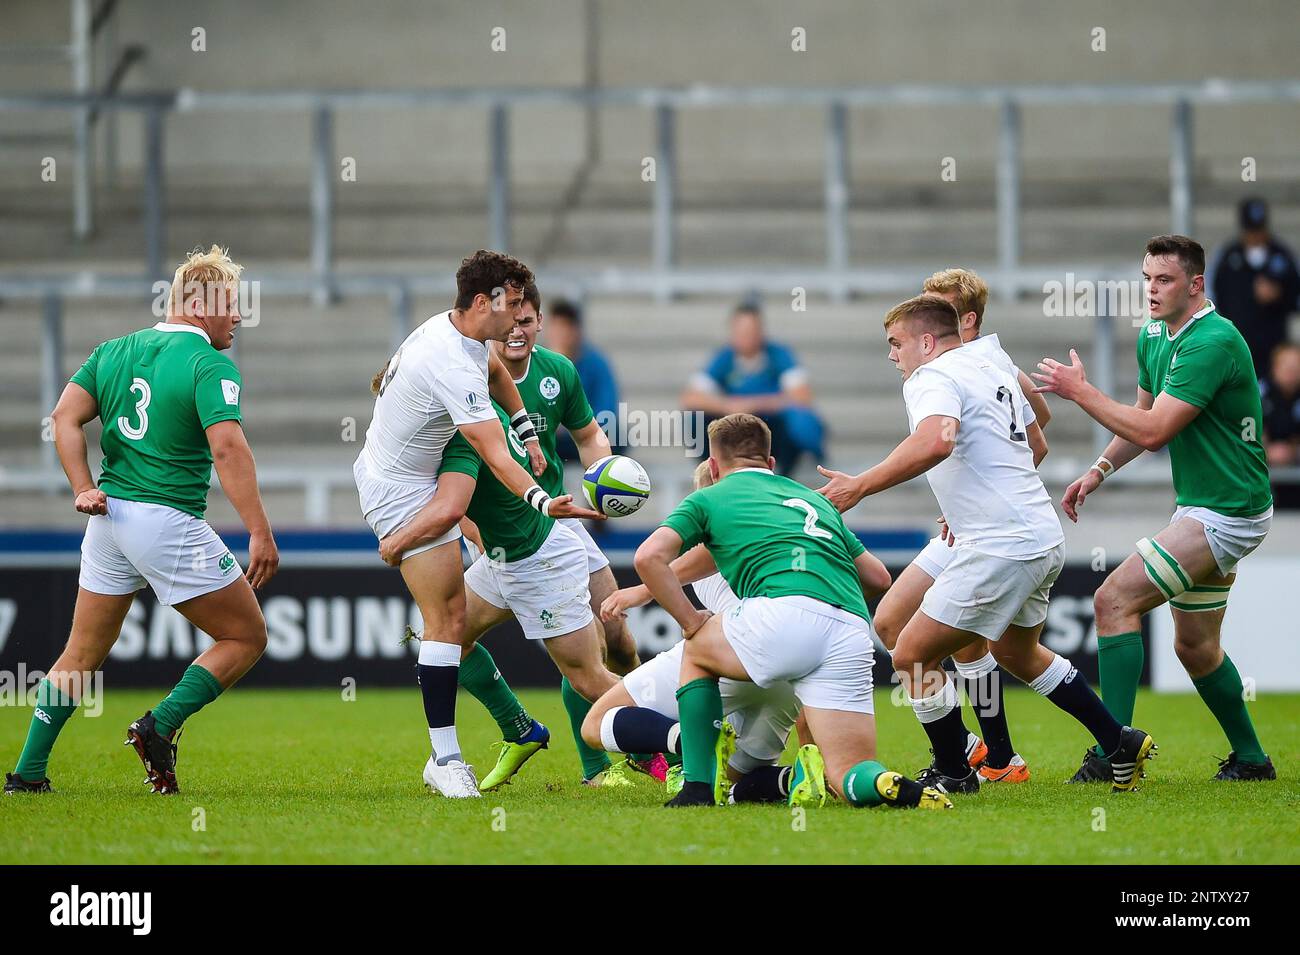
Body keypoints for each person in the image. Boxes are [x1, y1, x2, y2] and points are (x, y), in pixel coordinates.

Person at [819, 295, 1156, 795]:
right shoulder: (989, 361)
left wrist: (860, 486)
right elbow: (1033, 434)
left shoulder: (928, 377)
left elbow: (937, 440)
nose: (893, 356)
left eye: (896, 343)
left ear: (927, 342)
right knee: (1017, 653)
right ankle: (1116, 740)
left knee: (910, 654)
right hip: (1040, 535)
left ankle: (956, 770)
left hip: (999, 543)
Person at [6, 246, 279, 796]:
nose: (239, 317)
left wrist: (83, 487)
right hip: (165, 520)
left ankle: (27, 774)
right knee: (246, 635)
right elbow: (227, 448)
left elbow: (63, 418)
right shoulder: (208, 364)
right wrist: (258, 529)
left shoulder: (112, 351)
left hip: (107, 520)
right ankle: (160, 724)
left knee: (79, 653)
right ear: (200, 306)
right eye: (232, 304)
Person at [353, 250, 601, 800]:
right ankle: (444, 759)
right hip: (401, 491)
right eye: (511, 306)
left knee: (451, 627)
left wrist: (530, 433)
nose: (518, 318)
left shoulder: (457, 337)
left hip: (412, 480)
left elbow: (494, 376)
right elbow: (491, 456)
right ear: (483, 302)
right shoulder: (451, 367)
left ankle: (517, 730)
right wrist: (541, 499)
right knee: (444, 621)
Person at [1035, 234, 1277, 783]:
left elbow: (1154, 430)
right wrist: (1098, 470)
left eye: (1164, 280)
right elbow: (1140, 421)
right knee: (1196, 646)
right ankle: (1252, 760)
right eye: (1146, 278)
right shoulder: (1154, 334)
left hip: (1229, 510)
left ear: (1196, 285)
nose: (1150, 289)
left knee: (1112, 599)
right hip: (1206, 505)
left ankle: (1116, 750)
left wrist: (1080, 391)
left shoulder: (1211, 341)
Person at [635, 413, 951, 810]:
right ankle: (885, 781)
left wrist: (689, 620)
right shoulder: (813, 500)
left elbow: (649, 557)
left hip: (781, 614)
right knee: (847, 769)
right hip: (850, 630)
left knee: (696, 650)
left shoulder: (710, 496)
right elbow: (877, 577)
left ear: (713, 467)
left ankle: (697, 788)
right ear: (770, 463)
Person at [868, 268, 1050, 784]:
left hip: (990, 532)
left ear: (961, 322)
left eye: (940, 309)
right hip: (967, 527)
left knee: (943, 646)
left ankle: (991, 756)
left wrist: (988, 492)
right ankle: (970, 747)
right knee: (891, 623)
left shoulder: (983, 363)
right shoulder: (956, 371)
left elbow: (1035, 436)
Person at [384, 401, 626, 791]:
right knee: (448, 638)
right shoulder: (475, 407)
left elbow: (451, 508)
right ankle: (521, 729)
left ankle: (688, 743)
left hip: (536, 559)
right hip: (504, 558)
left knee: (588, 678)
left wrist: (398, 542)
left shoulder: (463, 433)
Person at [474, 283, 654, 787]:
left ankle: (640, 738)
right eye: (510, 320)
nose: (518, 330)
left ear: (539, 324)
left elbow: (588, 433)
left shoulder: (558, 371)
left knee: (615, 633)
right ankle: (620, 756)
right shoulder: (466, 381)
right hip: (504, 533)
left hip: (560, 521)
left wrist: (601, 475)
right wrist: (471, 529)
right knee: (581, 654)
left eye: (528, 320)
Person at [587, 461, 824, 807]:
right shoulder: (789, 531)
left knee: (596, 723)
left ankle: (688, 740)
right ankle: (793, 778)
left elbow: (707, 551)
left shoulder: (716, 530)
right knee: (731, 780)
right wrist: (811, 748)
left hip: (732, 653)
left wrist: (642, 591)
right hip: (787, 675)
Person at [680, 303, 825, 475]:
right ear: (732, 333)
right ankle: (714, 472)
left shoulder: (779, 355)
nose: (747, 337)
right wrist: (728, 406)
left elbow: (802, 397)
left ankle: (782, 473)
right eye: (742, 332)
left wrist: (753, 405)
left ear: (761, 332)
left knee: (794, 420)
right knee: (694, 418)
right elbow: (690, 398)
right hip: (737, 432)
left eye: (751, 331)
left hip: (771, 428)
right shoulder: (724, 358)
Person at [1210, 198, 1300, 377]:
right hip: (1236, 345)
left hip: (1274, 348)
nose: (1256, 236)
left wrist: (1279, 295)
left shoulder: (1283, 255)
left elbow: (1296, 298)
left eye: (1259, 230)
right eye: (1251, 230)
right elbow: (1212, 298)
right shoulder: (1228, 257)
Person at [543, 298, 624, 460]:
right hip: (549, 436)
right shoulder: (537, 362)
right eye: (555, 327)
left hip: (581, 432)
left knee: (616, 438)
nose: (560, 334)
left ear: (576, 331)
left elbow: (607, 412)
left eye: (565, 327)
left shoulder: (596, 363)